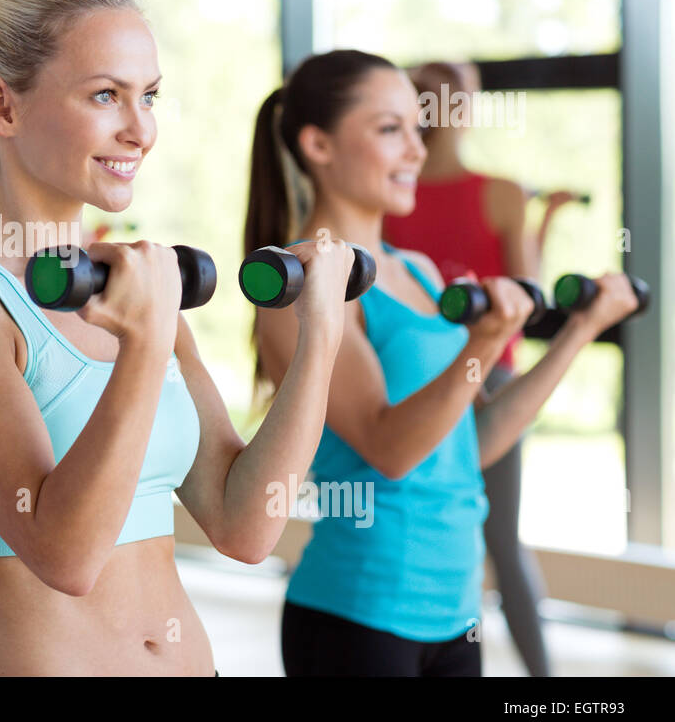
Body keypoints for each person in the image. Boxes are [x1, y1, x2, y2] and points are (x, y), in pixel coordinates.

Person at [0, 0, 357, 676]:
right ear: (3, 106)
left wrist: (320, 335)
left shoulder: (137, 281)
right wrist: (143, 342)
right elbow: (66, 555)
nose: (140, 130)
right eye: (106, 95)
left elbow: (246, 524)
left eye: (149, 96)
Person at [246, 49, 639, 676]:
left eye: (416, 127)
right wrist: (483, 344)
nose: (418, 150)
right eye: (389, 129)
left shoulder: (421, 272)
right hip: (359, 614)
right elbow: (390, 448)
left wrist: (581, 329)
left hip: (456, 613)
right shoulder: (299, 284)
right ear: (318, 144)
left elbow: (472, 441)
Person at [382, 60, 576, 677]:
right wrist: (546, 220)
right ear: (462, 109)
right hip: (485, 375)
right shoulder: (501, 193)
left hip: (410, 377)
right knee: (501, 541)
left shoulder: (388, 193)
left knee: (427, 536)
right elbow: (529, 298)